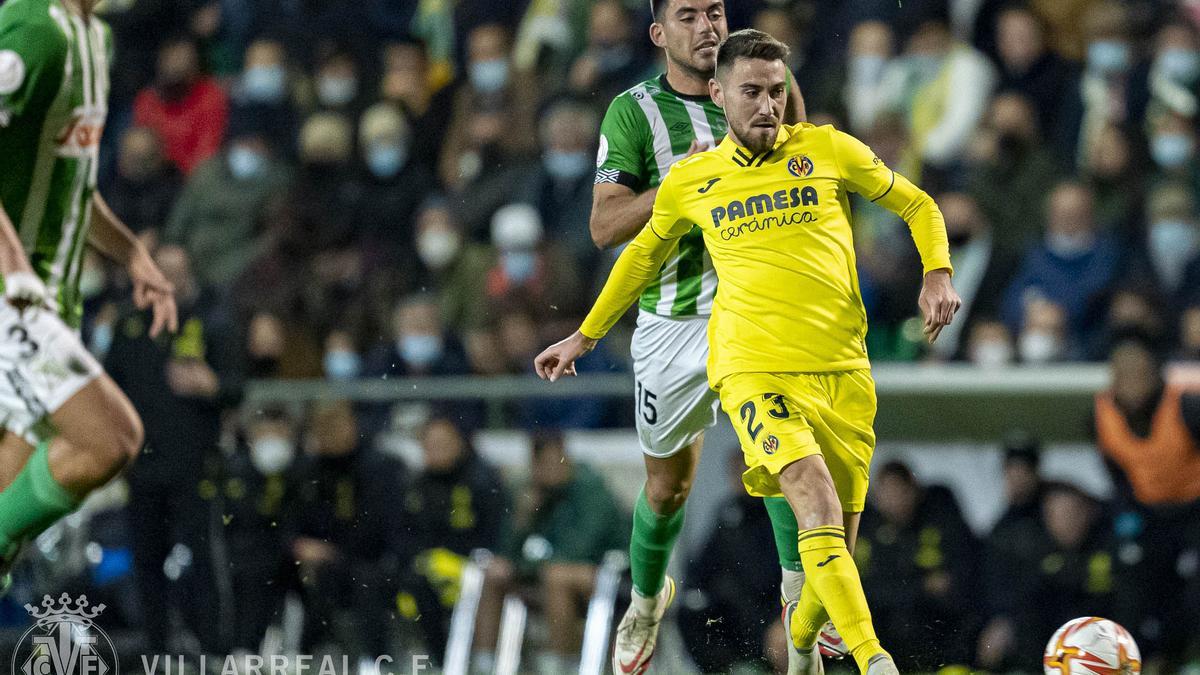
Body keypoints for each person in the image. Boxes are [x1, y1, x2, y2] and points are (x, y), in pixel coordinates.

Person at [537, 29, 960, 675]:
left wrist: (938, 272)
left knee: (835, 547)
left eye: (775, 91)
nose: (766, 105)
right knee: (789, 494)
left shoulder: (827, 148)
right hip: (750, 364)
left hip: (841, 369)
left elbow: (918, 202)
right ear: (719, 95)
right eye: (751, 92)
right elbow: (639, 256)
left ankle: (801, 640)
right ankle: (874, 660)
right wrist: (585, 335)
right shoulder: (692, 177)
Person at [586, 2, 810, 671]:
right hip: (670, 322)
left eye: (714, 10)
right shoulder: (633, 111)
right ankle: (648, 598)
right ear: (659, 34)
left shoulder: (764, 84)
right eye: (688, 15)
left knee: (777, 460)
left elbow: (807, 177)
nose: (707, 25)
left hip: (751, 310)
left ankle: (801, 602)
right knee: (666, 488)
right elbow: (604, 225)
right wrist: (683, 183)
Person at [0, 0, 179, 591]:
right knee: (110, 439)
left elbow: (71, 178)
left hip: (44, 303)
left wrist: (130, 253)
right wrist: (15, 271)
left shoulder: (95, 39)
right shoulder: (33, 31)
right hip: (14, 301)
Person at [104, 244, 242, 652]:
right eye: (161, 270)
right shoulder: (129, 326)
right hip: (143, 466)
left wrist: (211, 386)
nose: (169, 279)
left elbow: (237, 387)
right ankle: (156, 646)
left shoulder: (213, 323)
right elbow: (108, 390)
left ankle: (214, 647)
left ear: (191, 273)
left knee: (204, 558)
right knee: (146, 559)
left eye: (177, 270)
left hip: (196, 464)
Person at [472, 431, 627, 674]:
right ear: (534, 466)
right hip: (544, 572)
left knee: (556, 577)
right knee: (494, 574)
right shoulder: (530, 493)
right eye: (544, 464)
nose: (553, 469)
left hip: (610, 575)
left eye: (559, 461)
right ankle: (484, 663)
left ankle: (560, 664)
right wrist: (522, 521)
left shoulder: (591, 491)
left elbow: (577, 552)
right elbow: (506, 553)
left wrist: (523, 566)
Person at [1092, 332, 1200, 668]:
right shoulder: (1102, 414)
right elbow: (1116, 472)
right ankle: (1141, 657)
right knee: (1129, 573)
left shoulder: (1186, 407)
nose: (1131, 381)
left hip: (1195, 509)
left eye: (1139, 371)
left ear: (1156, 373)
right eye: (1122, 373)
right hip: (1148, 513)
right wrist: (1128, 517)